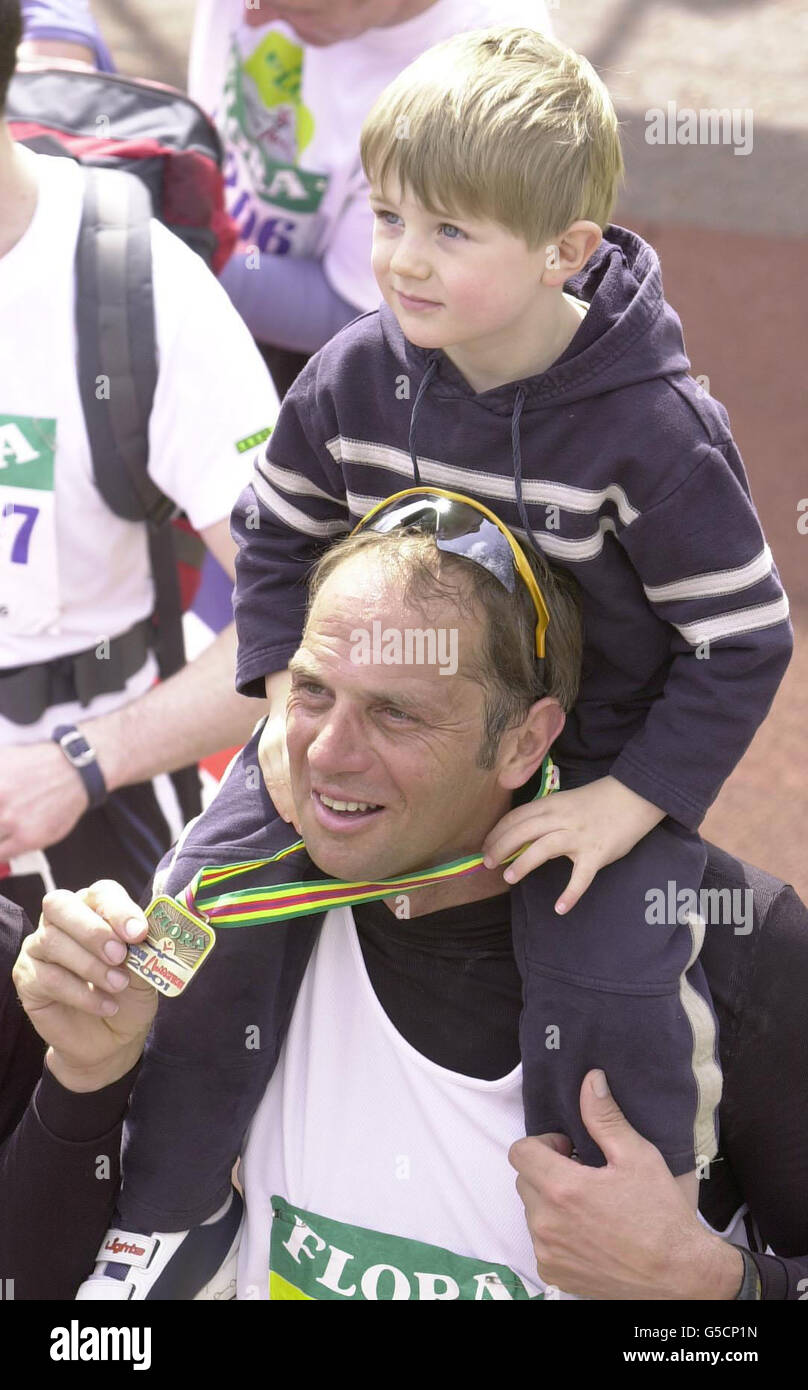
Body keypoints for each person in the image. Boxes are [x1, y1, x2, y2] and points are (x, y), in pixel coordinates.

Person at [229, 30, 792, 1195]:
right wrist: (290, 701)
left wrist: (621, 804)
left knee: (608, 979)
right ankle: (171, 1203)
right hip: (381, 725)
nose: (403, 262)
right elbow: (275, 530)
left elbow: (741, 638)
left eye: (450, 231)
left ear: (563, 251)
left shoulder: (652, 435)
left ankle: (614, 1224)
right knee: (204, 894)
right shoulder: (351, 375)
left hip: (589, 770)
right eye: (388, 218)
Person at [63, 522, 807, 1300]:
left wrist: (714, 1287)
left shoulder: (734, 948)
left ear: (526, 743)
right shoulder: (233, 919)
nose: (325, 754)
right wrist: (79, 1078)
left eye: (395, 715)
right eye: (313, 691)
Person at [0, 0, 279, 924]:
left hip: (79, 786)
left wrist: (83, 764)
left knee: (144, 1052)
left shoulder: (133, 282)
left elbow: (305, 615)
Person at [19, 0, 555, 394]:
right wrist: (54, 32)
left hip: (332, 379)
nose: (248, 16)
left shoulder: (485, 82)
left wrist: (159, 244)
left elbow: (370, 311)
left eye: (293, 6)